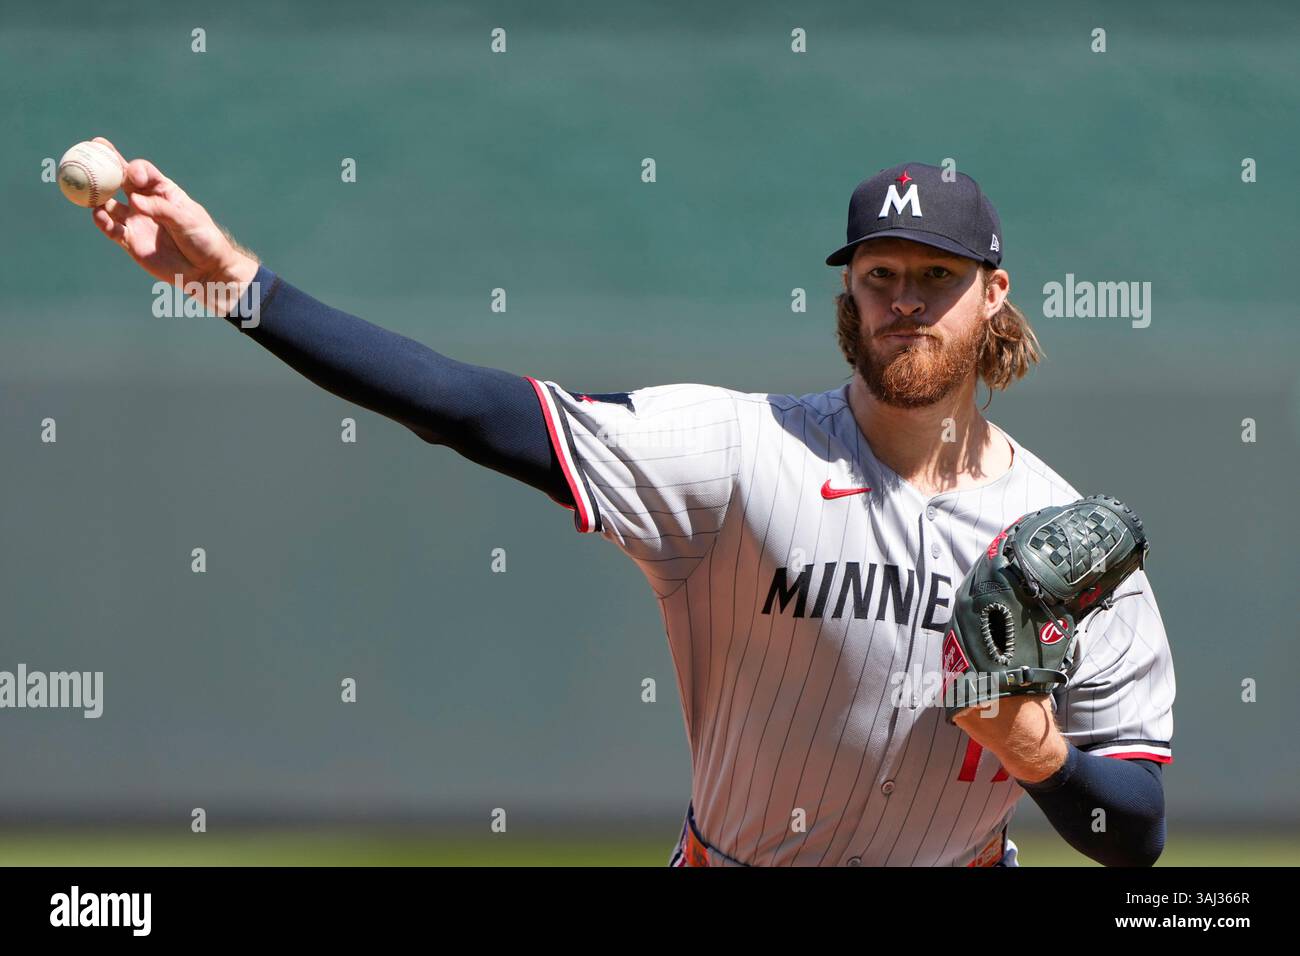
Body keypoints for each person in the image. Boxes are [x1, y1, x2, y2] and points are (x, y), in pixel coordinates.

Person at [89, 141, 1172, 866]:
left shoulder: (1062, 537)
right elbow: (470, 410)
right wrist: (242, 289)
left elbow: (1134, 832)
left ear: (993, 294)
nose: (903, 302)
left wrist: (1041, 754)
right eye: (878, 273)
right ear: (847, 294)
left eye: (933, 277)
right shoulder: (742, 452)